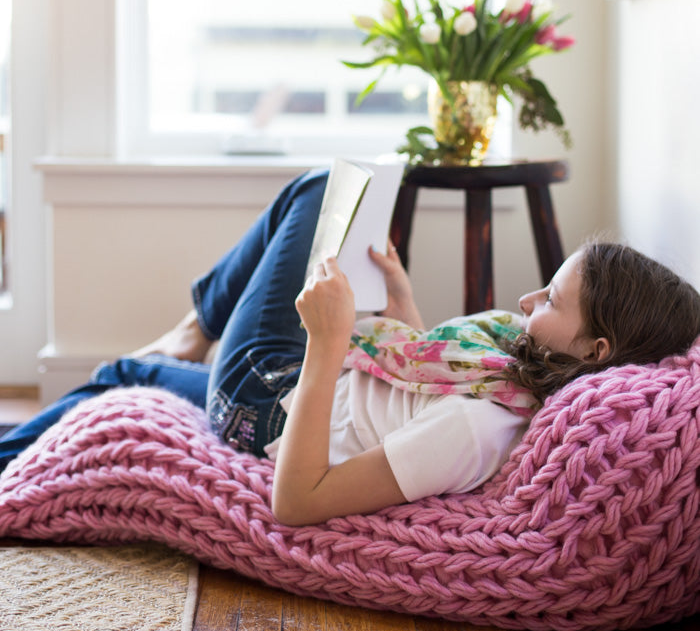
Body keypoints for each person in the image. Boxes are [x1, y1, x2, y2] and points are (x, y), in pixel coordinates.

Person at [1, 169, 699, 527]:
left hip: (265, 398)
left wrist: (330, 341)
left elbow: (298, 501)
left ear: (598, 349)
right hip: (293, 391)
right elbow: (409, 403)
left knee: (316, 189)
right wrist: (401, 309)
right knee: (121, 373)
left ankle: (195, 332)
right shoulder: (507, 380)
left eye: (550, 301)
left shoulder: (479, 427)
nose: (526, 303)